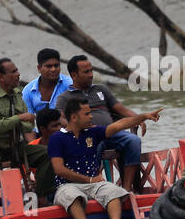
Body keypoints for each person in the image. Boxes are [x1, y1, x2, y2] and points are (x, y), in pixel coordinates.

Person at [48, 93, 161, 219]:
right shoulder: (56, 138)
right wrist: (88, 180)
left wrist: (144, 116)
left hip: (95, 183)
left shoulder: (93, 132)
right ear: (74, 117)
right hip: (67, 185)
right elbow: (59, 170)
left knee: (114, 191)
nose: (91, 117)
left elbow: (119, 125)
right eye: (87, 114)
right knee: (72, 196)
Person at [57, 54, 145, 190]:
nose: (91, 74)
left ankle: (127, 190)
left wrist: (140, 118)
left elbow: (122, 109)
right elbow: (61, 119)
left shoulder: (101, 90)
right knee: (89, 151)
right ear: (74, 75)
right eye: (86, 72)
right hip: (88, 136)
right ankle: (95, 188)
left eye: (92, 70)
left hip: (111, 132)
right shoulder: (65, 97)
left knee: (134, 141)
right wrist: (78, 126)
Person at [0, 58, 55, 196]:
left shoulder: (17, 95)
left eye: (17, 70)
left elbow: (29, 126)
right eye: (13, 71)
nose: (18, 74)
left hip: (13, 145)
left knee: (48, 153)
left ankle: (41, 196)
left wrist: (20, 120)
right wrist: (18, 118)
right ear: (1, 77)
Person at [21, 48, 72, 128]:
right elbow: (28, 122)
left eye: (56, 65)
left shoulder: (70, 85)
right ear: (39, 68)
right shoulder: (28, 91)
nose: (53, 69)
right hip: (42, 133)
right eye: (49, 66)